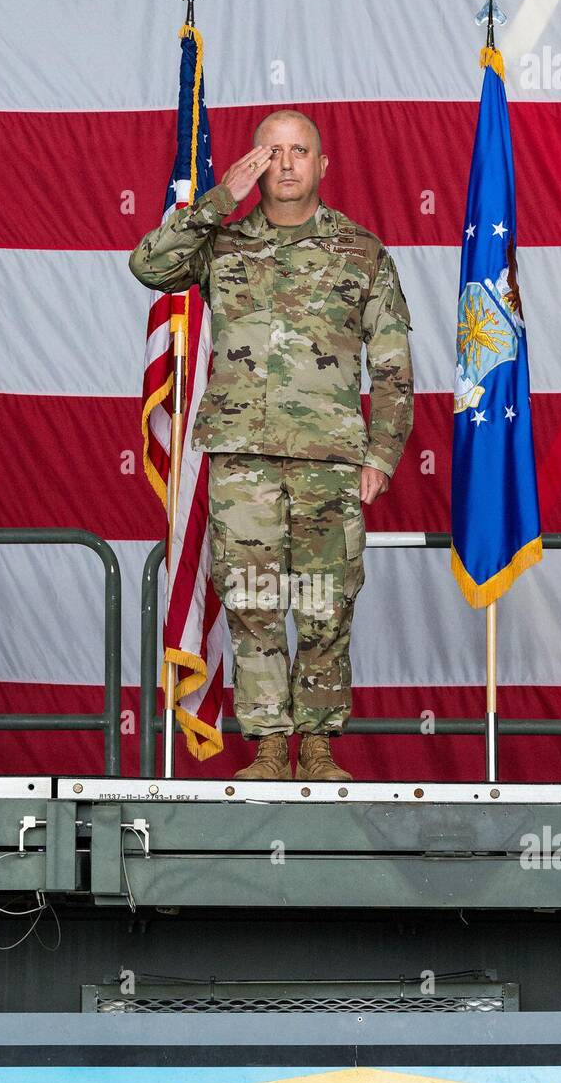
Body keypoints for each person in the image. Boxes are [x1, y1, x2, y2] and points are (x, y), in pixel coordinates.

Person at [130, 110, 414, 781]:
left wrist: (382, 453)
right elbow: (149, 265)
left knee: (323, 603)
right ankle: (266, 748)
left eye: (299, 151)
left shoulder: (361, 251)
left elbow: (395, 365)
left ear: (322, 166)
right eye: (272, 151)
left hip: (331, 464)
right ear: (254, 164)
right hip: (243, 461)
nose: (285, 163)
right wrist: (217, 200)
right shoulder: (220, 244)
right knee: (252, 603)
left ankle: (316, 748)